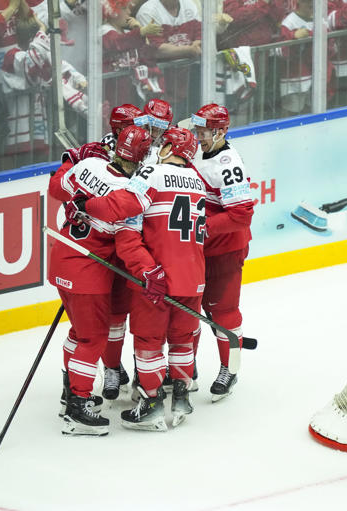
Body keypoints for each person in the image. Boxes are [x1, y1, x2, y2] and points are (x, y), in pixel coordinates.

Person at [73, 126, 207, 431]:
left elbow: (122, 206)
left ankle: (151, 405)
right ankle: (181, 396)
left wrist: (87, 204)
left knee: (149, 342)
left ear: (170, 149)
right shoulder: (197, 180)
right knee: (183, 340)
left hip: (157, 278)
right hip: (193, 277)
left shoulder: (153, 174)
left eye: (164, 145)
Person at [48, 124, 153, 436]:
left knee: (79, 333)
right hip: (87, 272)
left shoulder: (90, 164)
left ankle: (69, 393)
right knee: (92, 339)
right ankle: (77, 409)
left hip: (62, 259)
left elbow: (57, 189)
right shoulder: (128, 190)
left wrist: (72, 162)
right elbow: (128, 228)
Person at [190, 103, 252, 401]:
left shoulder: (229, 165)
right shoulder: (197, 149)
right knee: (187, 309)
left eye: (204, 132)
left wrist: (200, 228)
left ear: (222, 131)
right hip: (196, 249)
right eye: (197, 130)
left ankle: (230, 368)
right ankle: (185, 368)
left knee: (223, 310)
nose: (198, 136)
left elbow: (241, 216)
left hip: (225, 249)